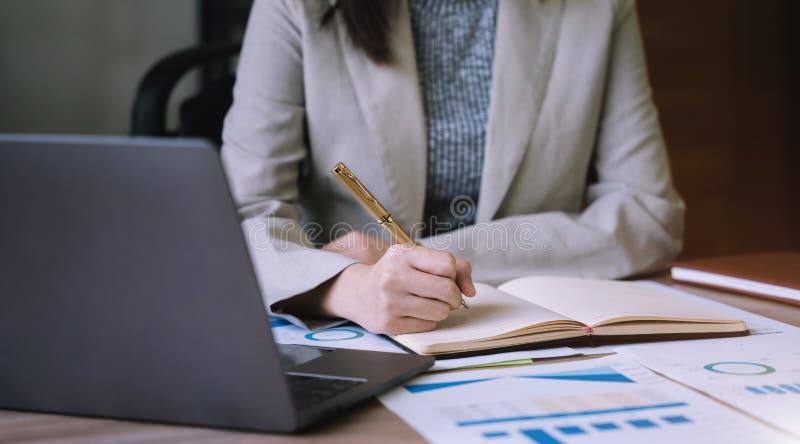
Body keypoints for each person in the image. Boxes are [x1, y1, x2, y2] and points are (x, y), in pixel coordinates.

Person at [221, 0, 685, 334]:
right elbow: (242, 219)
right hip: (350, 333)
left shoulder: (601, 8)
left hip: (524, 327)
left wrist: (410, 257)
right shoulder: (294, 5)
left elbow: (647, 216)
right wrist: (340, 289)